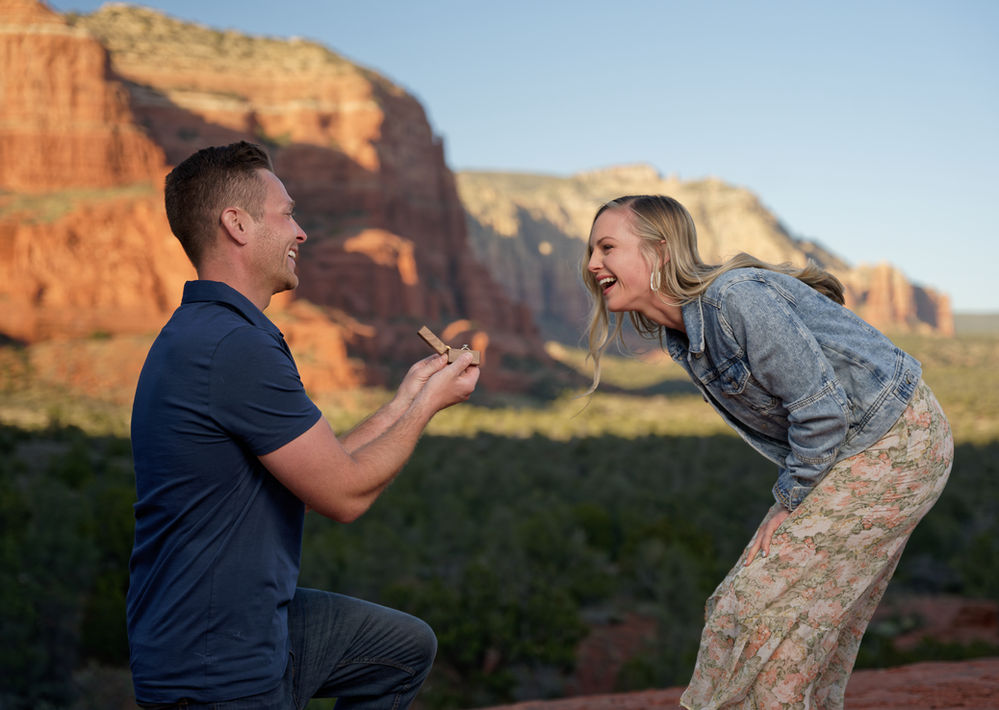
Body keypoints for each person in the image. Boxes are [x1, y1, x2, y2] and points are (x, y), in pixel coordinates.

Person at [126, 141, 480, 709]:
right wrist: (430, 406)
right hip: (215, 666)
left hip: (248, 626)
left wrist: (406, 398)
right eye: (287, 214)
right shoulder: (233, 345)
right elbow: (342, 496)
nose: (302, 232)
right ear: (237, 224)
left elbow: (319, 471)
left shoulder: (211, 331)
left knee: (402, 647)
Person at [582, 194, 953, 709]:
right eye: (591, 250)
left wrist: (791, 499)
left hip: (896, 440)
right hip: (849, 451)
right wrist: (793, 496)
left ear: (660, 251)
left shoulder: (733, 299)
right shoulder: (684, 333)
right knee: (751, 612)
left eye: (607, 247)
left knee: (765, 610)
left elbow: (819, 410)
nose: (592, 263)